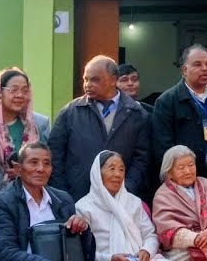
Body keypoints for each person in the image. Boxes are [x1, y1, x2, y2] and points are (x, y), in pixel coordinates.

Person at [52, 56, 153, 200]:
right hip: (78, 199)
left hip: (121, 199)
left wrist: (127, 188)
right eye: (85, 79)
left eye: (95, 80)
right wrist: (63, 194)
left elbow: (142, 158)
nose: (88, 85)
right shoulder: (71, 112)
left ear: (113, 80)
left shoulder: (137, 114)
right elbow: (55, 155)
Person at [151, 45, 207, 180]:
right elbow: (162, 148)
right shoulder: (167, 101)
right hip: (183, 179)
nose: (205, 68)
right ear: (184, 70)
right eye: (197, 64)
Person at [0, 67, 51, 178]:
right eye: (14, 90)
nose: (20, 95)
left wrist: (24, 173)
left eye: (25, 91)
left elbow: (46, 163)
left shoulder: (37, 125)